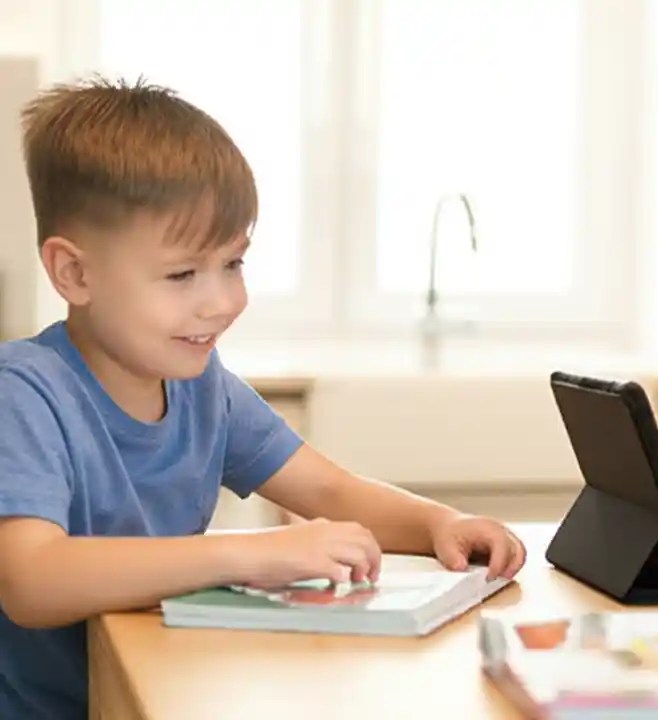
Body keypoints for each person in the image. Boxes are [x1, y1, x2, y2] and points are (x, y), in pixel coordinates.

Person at [0, 78, 527, 718]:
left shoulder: (201, 387)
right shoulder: (25, 391)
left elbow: (329, 491)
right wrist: (246, 555)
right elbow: (31, 580)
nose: (221, 301)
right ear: (74, 273)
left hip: (151, 692)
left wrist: (437, 524)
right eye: (181, 274)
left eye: (234, 263)